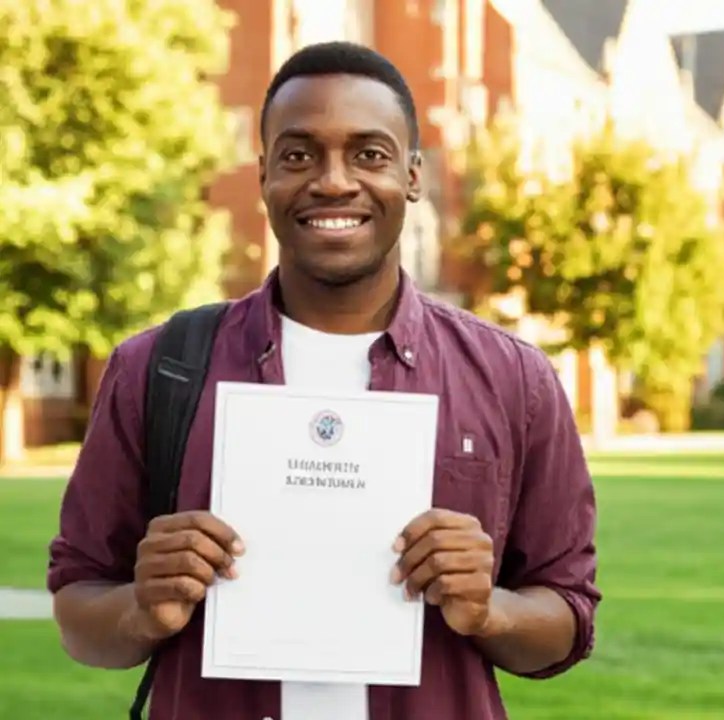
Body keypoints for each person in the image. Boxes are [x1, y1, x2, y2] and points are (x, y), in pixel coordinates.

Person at [45, 42, 599, 720]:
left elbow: (566, 619)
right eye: (299, 155)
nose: (333, 181)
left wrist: (492, 610)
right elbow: (79, 612)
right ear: (263, 175)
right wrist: (140, 609)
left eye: (369, 154)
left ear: (413, 175)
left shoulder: (514, 380)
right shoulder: (157, 368)